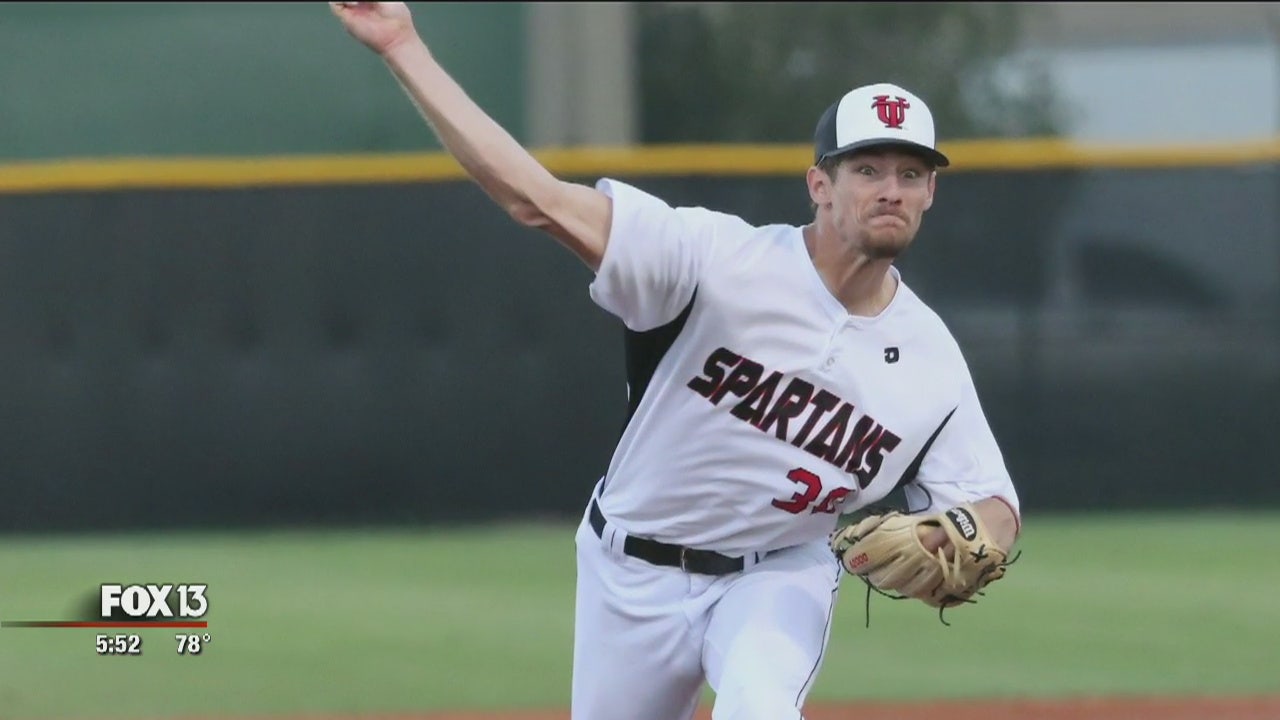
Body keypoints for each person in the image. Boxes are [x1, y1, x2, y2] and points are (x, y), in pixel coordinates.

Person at [329, 3, 1022, 719]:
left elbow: (994, 503)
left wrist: (966, 532)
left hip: (779, 575)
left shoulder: (930, 360)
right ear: (819, 185)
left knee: (760, 710)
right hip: (631, 569)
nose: (891, 190)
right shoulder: (715, 261)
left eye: (911, 173)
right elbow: (537, 200)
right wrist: (403, 46)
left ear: (931, 191)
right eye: (867, 169)